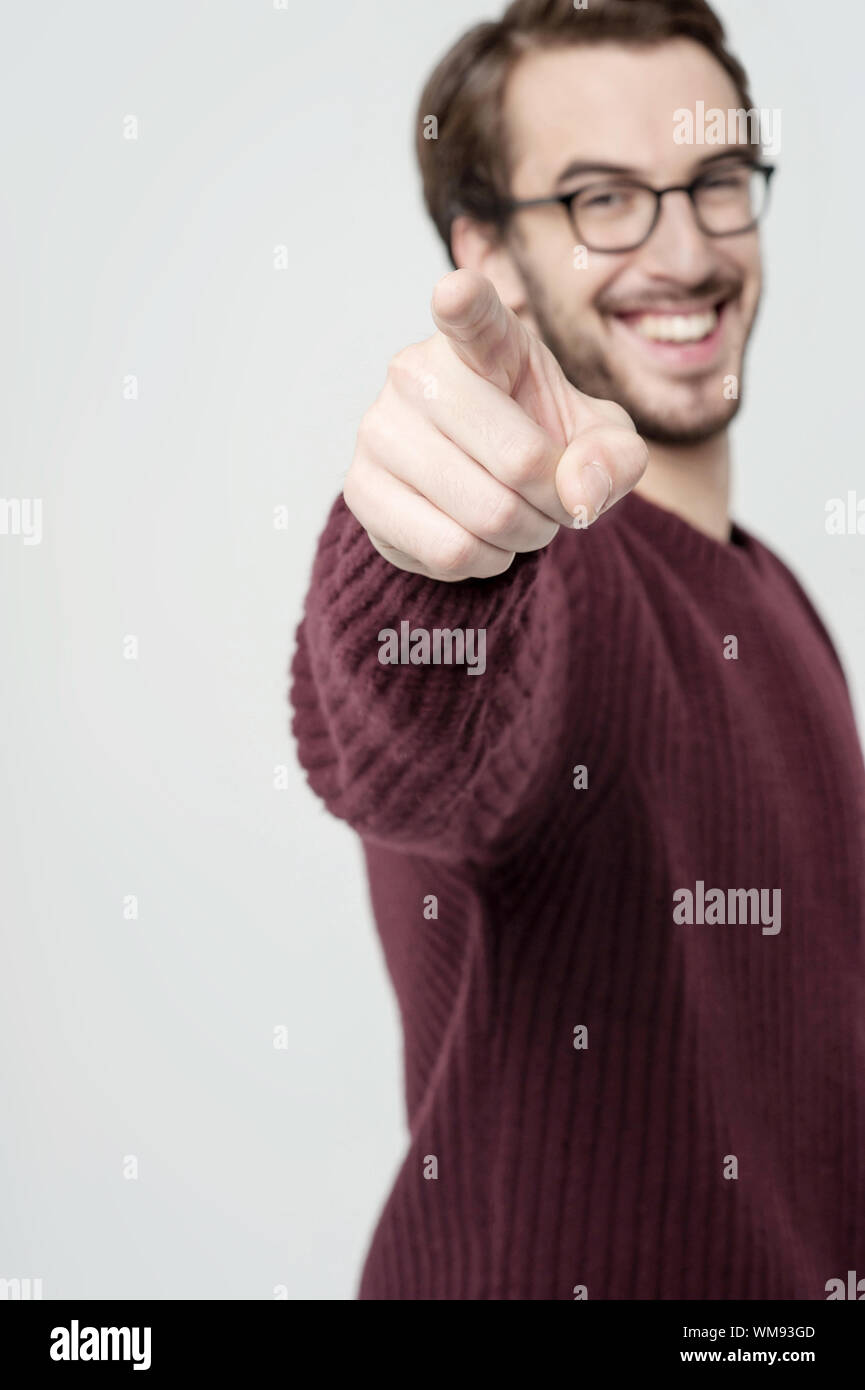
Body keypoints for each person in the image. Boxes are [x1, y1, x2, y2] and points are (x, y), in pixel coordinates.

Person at [290, 0, 865, 1299]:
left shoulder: (779, 600)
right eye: (602, 199)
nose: (686, 249)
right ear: (486, 252)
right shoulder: (538, 580)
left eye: (715, 182)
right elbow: (410, 732)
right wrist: (423, 562)